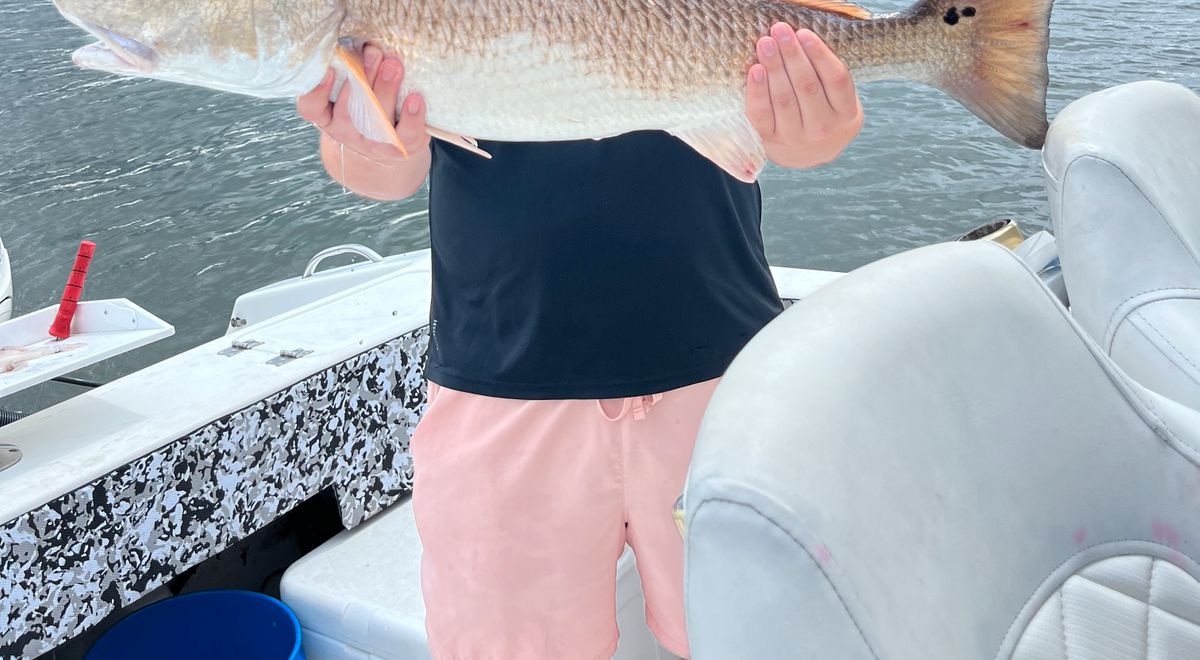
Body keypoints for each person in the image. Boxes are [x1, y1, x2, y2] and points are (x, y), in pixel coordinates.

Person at [298, 23, 862, 660]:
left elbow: (795, 121)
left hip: (722, 376)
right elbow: (385, 172)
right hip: (502, 384)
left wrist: (820, 125)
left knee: (766, 642)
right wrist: (364, 136)